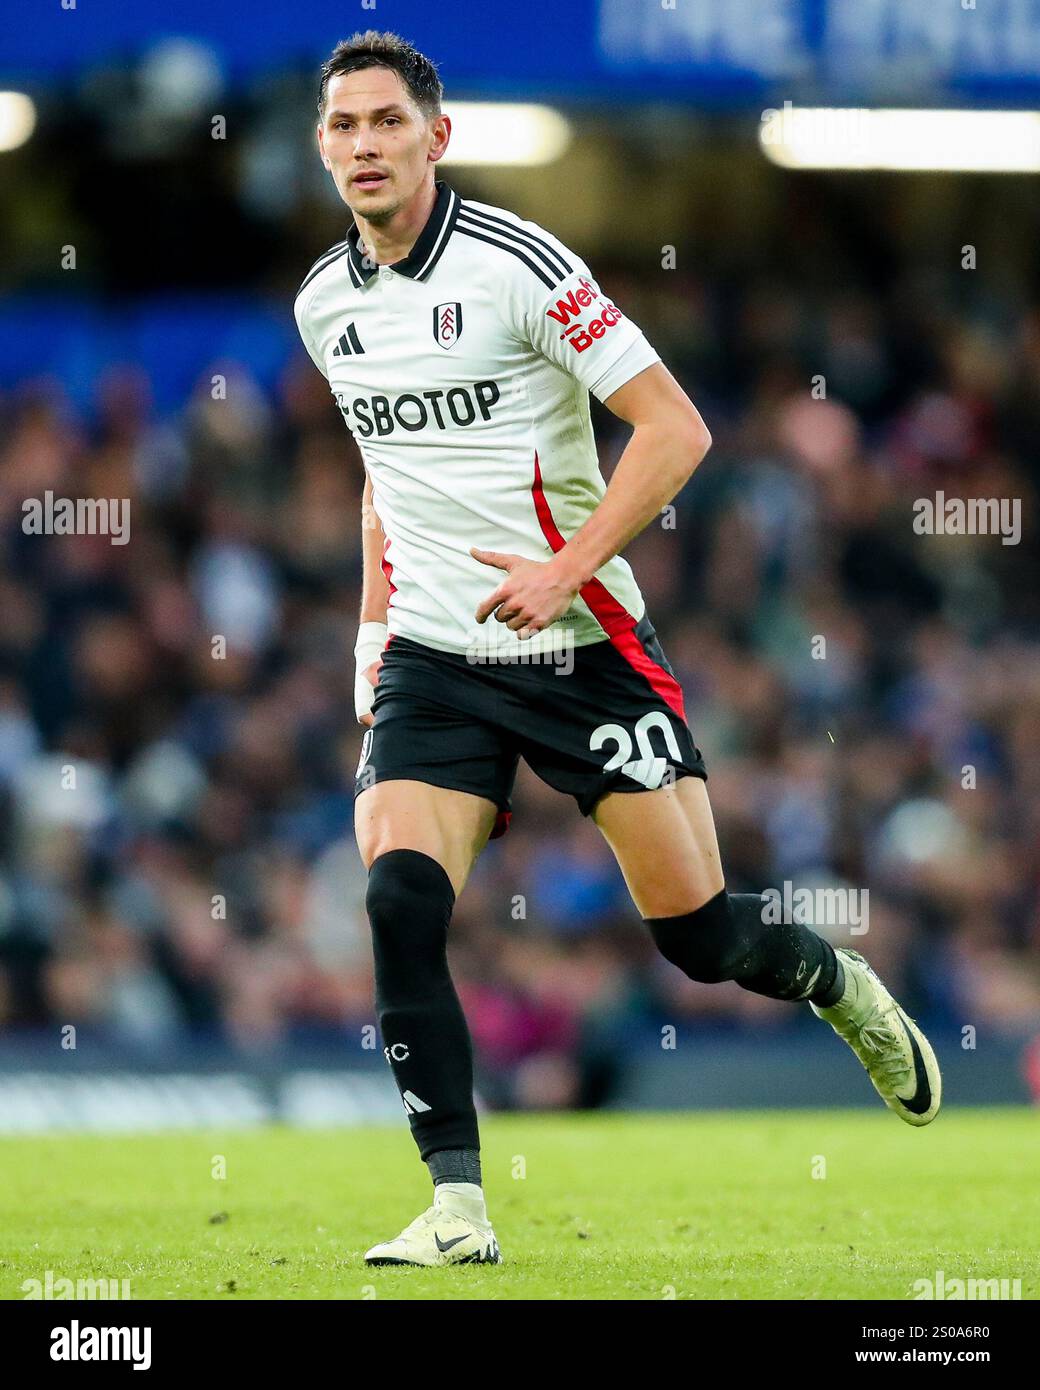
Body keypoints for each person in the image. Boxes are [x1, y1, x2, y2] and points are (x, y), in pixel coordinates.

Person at [294, 30, 941, 1269]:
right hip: (436, 653)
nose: (364, 146)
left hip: (579, 643)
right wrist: (374, 637)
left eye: (386, 122)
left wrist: (566, 566)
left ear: (437, 136)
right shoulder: (326, 305)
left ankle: (834, 986)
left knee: (696, 935)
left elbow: (673, 430)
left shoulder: (520, 266)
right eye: (342, 127)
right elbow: (387, 483)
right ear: (323, 147)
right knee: (397, 896)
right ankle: (458, 1210)